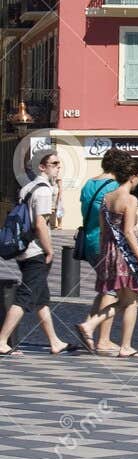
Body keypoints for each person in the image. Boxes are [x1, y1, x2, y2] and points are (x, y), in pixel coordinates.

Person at [0, 148, 75, 357]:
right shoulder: (43, 191)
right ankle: (2, 340)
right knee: (25, 297)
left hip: (24, 250)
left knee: (41, 298)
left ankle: (54, 341)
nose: (58, 168)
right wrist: (49, 250)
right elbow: (41, 223)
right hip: (35, 251)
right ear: (42, 167)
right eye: (54, 164)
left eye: (59, 164)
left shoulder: (28, 187)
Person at [93, 155, 138, 358]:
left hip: (108, 252)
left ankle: (95, 329)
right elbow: (128, 232)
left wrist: (103, 255)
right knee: (131, 300)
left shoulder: (106, 198)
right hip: (124, 255)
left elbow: (103, 230)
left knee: (113, 294)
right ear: (133, 177)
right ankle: (125, 346)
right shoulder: (130, 199)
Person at [74, 148, 133, 354]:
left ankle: (88, 331)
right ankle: (104, 340)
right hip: (107, 242)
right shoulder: (117, 188)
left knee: (103, 288)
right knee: (111, 289)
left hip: (89, 240)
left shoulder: (89, 184)